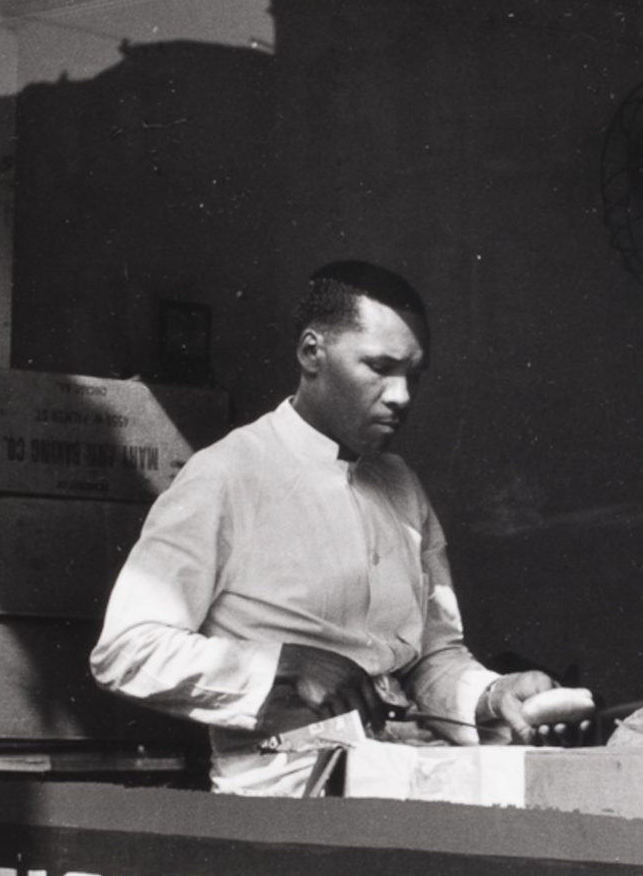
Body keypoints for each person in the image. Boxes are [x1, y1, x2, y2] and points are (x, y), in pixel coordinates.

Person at [91, 261, 556, 795]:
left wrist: (493, 696)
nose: (402, 395)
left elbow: (432, 656)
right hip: (284, 786)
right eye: (380, 367)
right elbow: (126, 650)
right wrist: (287, 666)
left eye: (414, 374)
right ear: (312, 353)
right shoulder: (226, 475)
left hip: (405, 769)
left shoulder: (401, 484)